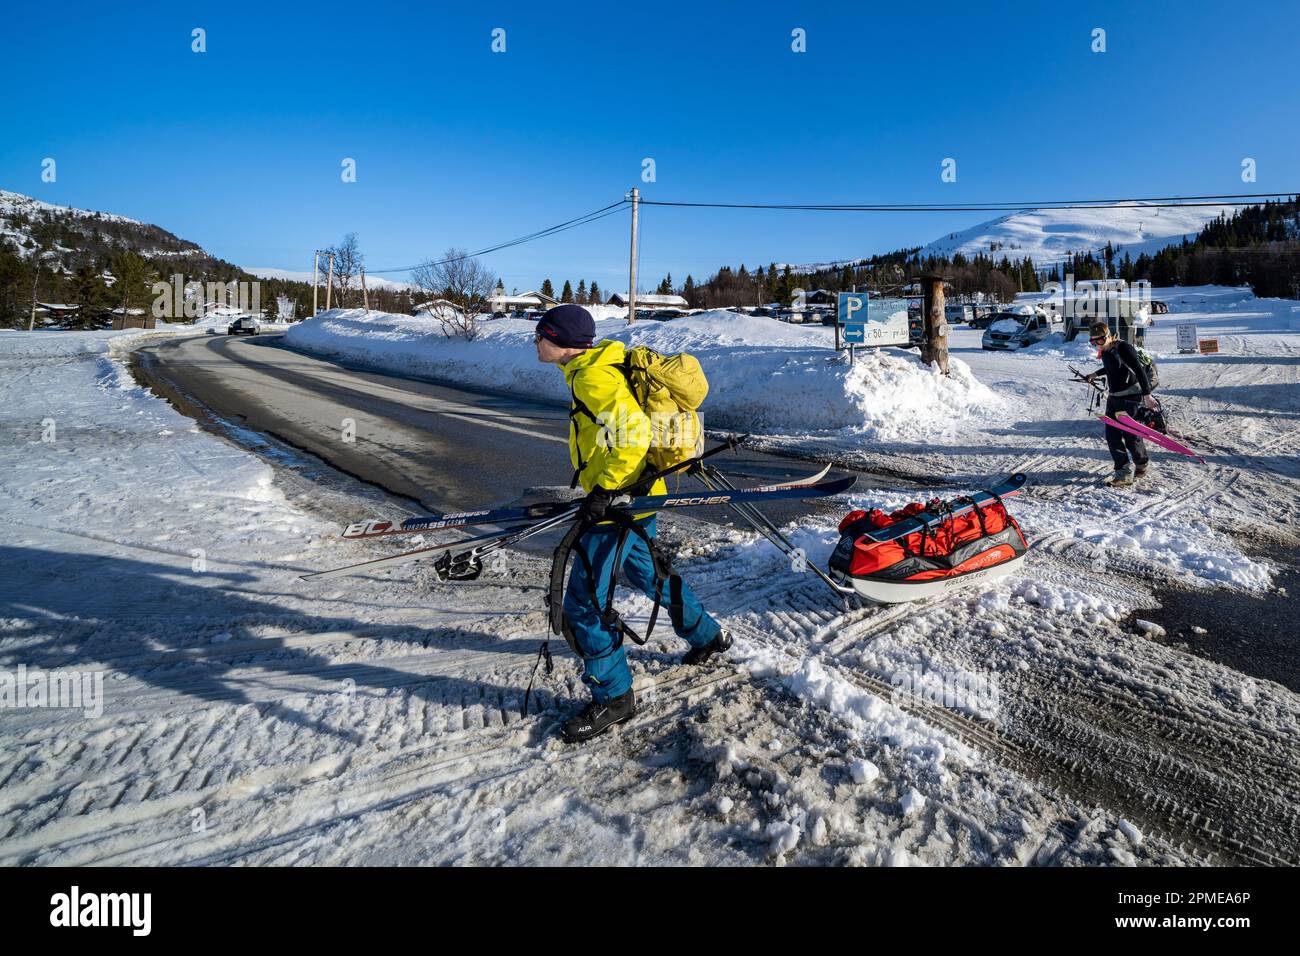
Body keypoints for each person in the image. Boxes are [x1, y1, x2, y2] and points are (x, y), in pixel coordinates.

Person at [533, 304, 730, 742]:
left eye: (541, 336)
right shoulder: (601, 362)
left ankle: (614, 698)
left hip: (620, 502)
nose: (536, 343)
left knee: (584, 602)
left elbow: (633, 434)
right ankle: (708, 636)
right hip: (641, 495)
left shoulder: (591, 376)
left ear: (560, 340)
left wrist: (604, 490)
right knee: (650, 573)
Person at [1082, 320, 1158, 485]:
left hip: (1131, 397)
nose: (1097, 344)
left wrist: (1147, 396)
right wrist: (1094, 375)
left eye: (1100, 340)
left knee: (1130, 435)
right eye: (1093, 341)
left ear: (1108, 335)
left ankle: (1141, 462)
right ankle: (1122, 473)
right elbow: (1112, 369)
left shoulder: (1123, 348)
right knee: (1112, 436)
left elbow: (1138, 370)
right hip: (1114, 397)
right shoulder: (1107, 351)